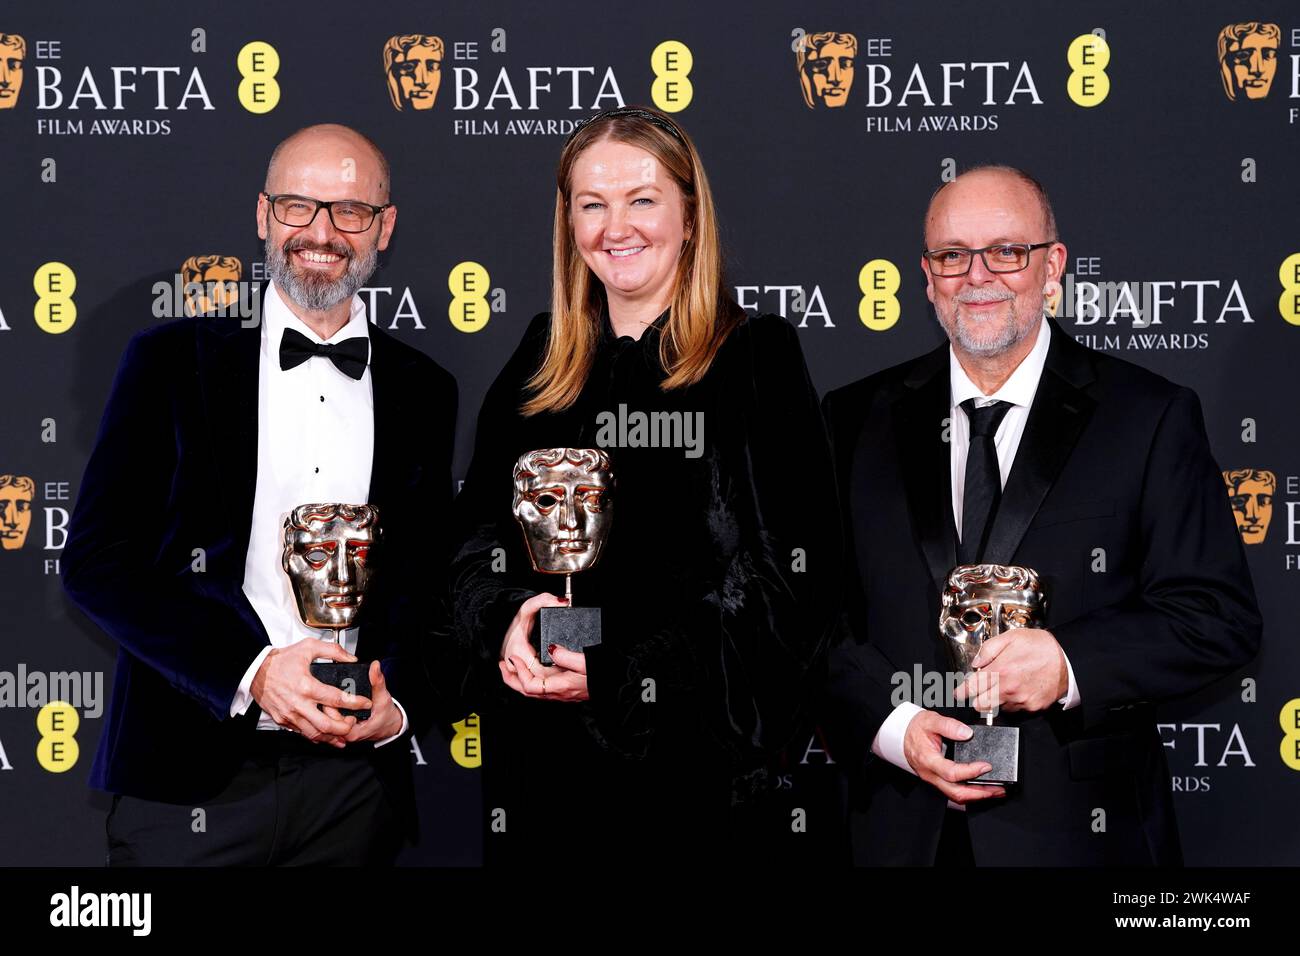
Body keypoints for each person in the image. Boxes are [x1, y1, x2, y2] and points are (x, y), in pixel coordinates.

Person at [822, 165, 1261, 866]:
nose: (978, 275)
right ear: (928, 275)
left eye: (1006, 251)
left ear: (1052, 266)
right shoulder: (850, 422)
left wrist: (1069, 663)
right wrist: (892, 723)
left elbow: (1216, 615)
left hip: (1080, 837)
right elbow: (815, 621)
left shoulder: (1147, 417)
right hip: (898, 831)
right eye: (952, 255)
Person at [450, 106, 839, 863]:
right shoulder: (539, 360)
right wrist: (507, 617)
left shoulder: (754, 360)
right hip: (543, 783)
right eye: (591, 204)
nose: (614, 226)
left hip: (693, 789)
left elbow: (791, 584)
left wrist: (623, 668)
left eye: (642, 199)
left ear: (689, 217)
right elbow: (472, 542)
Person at [63, 123, 458, 866]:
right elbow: (98, 566)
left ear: (385, 227)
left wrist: (395, 704)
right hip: (188, 779)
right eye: (297, 205)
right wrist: (252, 669)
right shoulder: (170, 363)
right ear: (261, 215)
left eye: (350, 211)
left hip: (355, 792)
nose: (321, 232)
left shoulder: (426, 390)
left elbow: (424, 586)